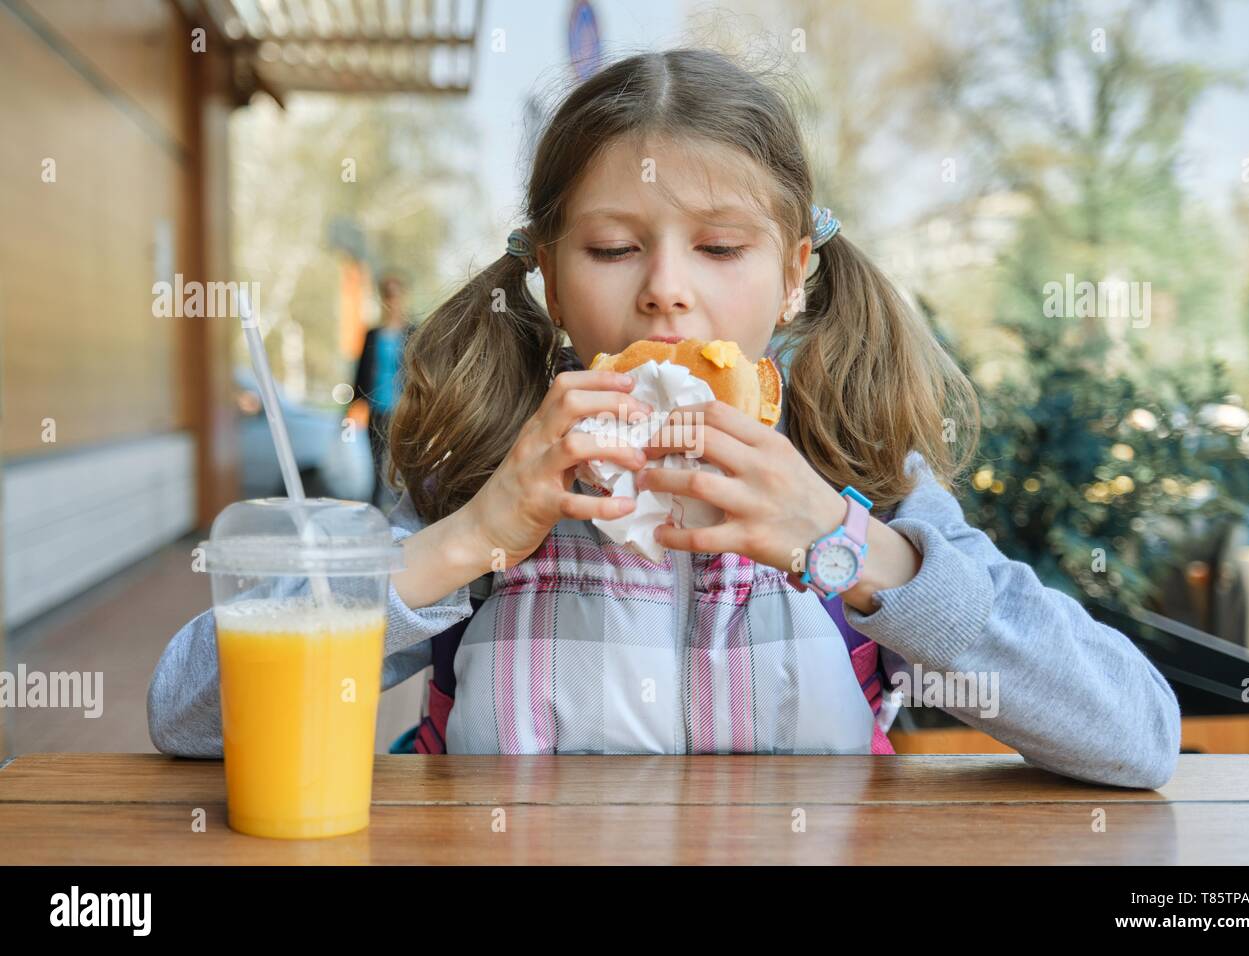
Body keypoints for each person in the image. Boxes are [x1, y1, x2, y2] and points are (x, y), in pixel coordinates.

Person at [148, 49, 1180, 787]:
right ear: (547, 275)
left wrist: (853, 547)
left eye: (721, 248)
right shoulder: (480, 473)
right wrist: (468, 537)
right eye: (611, 249)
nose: (665, 292)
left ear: (791, 279)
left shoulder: (865, 481)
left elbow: (1135, 734)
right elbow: (187, 716)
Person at [352, 273, 412, 508]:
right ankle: (375, 515)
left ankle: (405, 516)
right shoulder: (373, 334)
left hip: (403, 412)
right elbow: (360, 371)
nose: (392, 299)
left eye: (396, 294)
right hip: (377, 408)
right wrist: (351, 404)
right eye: (387, 294)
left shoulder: (412, 333)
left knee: (402, 468)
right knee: (376, 469)